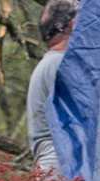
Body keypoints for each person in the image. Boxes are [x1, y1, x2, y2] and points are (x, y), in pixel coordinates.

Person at [26, 0, 75, 169]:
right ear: (73, 24)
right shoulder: (59, 64)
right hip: (61, 167)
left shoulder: (51, 62)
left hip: (52, 171)